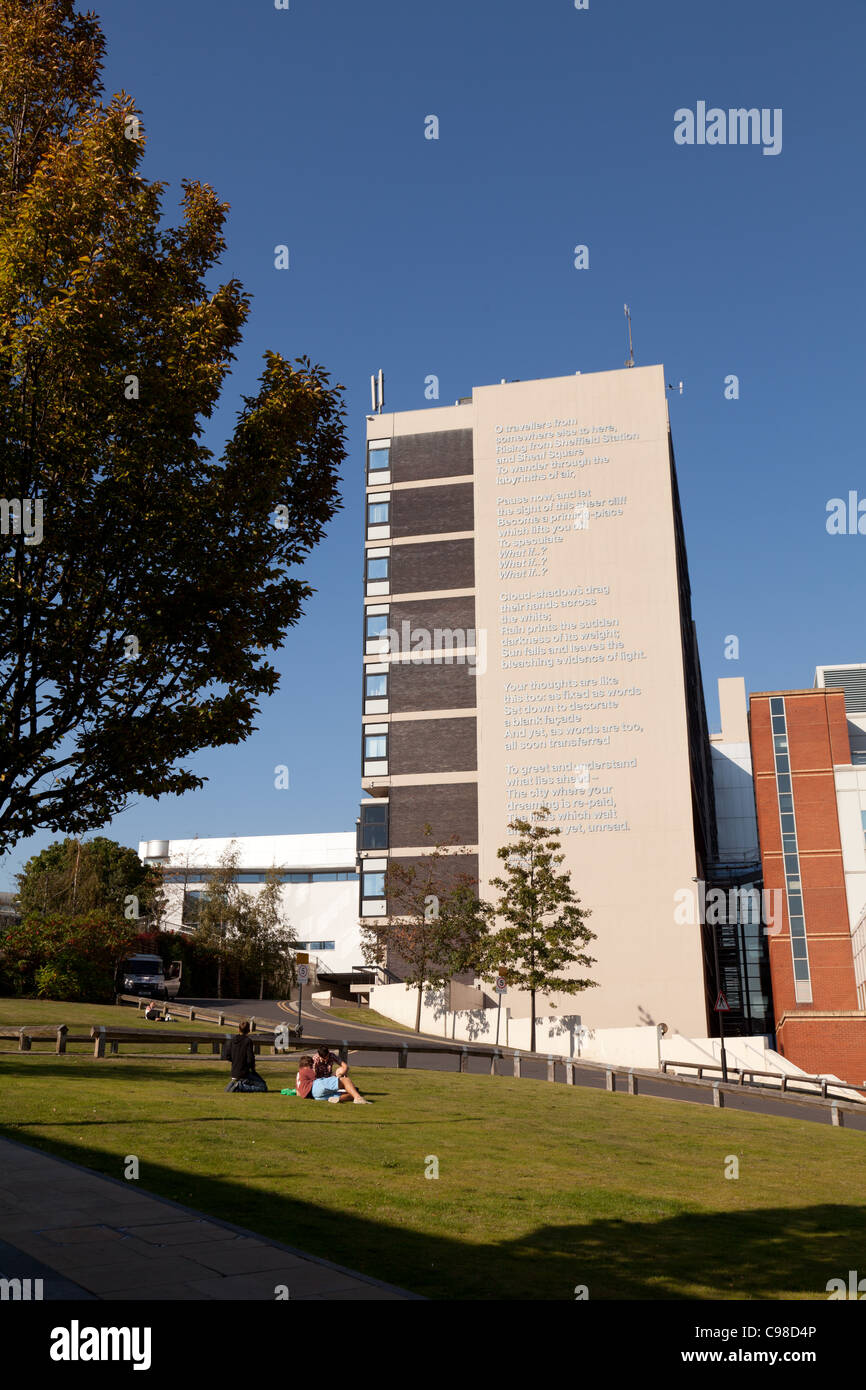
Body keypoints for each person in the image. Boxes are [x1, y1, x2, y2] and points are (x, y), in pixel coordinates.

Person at [296, 1053, 370, 1104]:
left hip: (315, 1096)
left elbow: (298, 1093)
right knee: (345, 1080)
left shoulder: (299, 1075)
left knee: (351, 1094)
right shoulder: (306, 1070)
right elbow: (316, 1078)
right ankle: (358, 1098)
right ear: (307, 1064)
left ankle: (340, 1099)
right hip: (316, 1086)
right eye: (311, 1065)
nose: (312, 1067)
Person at [225, 1019, 268, 1093]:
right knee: (263, 1086)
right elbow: (250, 1059)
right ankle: (241, 1086)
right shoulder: (248, 1041)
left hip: (234, 1071)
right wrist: (252, 1069)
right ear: (248, 1030)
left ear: (238, 1029)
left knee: (242, 1079)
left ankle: (233, 1085)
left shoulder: (233, 1040)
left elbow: (227, 1056)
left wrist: (236, 1060)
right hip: (244, 1073)